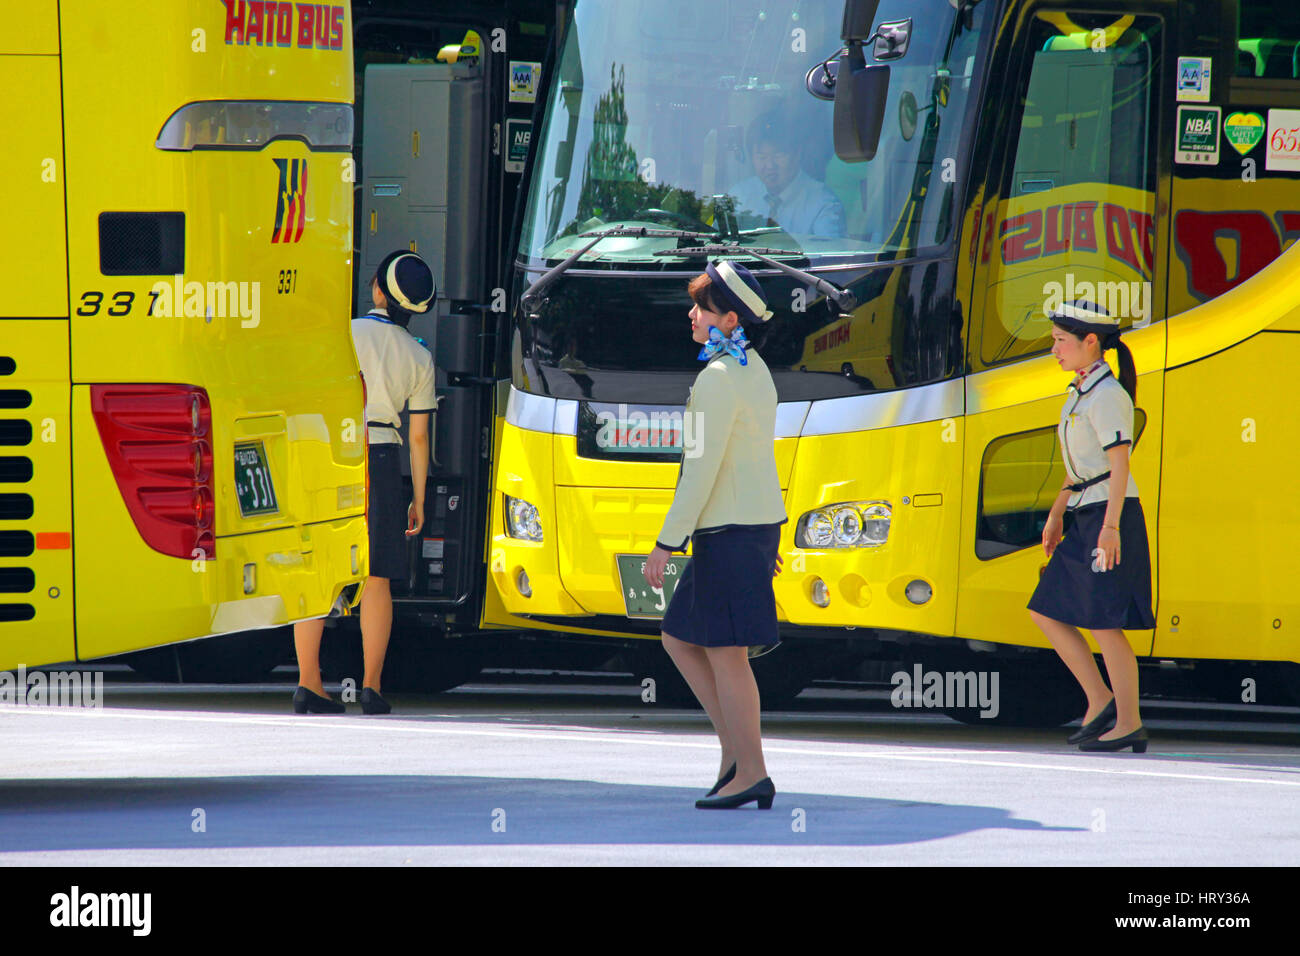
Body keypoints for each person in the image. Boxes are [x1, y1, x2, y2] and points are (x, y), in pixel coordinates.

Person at [643, 260, 788, 808]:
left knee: (727, 654)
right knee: (680, 637)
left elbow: (699, 468)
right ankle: (734, 755)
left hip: (729, 530)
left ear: (729, 319)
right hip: (743, 529)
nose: (692, 315)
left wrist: (667, 541)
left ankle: (752, 771)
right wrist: (763, 536)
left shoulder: (718, 378)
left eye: (701, 308)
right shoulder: (755, 369)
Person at [291, 250, 439, 715]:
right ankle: (371, 686)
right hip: (383, 456)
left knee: (318, 573)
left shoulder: (342, 334)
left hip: (333, 451)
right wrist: (417, 497)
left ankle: (309, 683)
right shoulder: (419, 358)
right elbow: (418, 436)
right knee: (377, 579)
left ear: (377, 289)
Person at [1027, 298, 1155, 752]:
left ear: (1091, 343)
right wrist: (1058, 511)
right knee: (1046, 609)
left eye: (1061, 341)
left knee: (1104, 623)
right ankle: (1100, 700)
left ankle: (1129, 721)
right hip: (1086, 512)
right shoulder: (1082, 392)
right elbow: (1081, 464)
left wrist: (1111, 528)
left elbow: (1119, 466)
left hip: (1107, 515)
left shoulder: (1107, 396)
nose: (1054, 350)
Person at [728, 111, 845, 238]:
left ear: (797, 154)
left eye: (778, 155)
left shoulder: (823, 203)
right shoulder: (739, 196)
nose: (770, 165)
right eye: (761, 157)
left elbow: (828, 255)